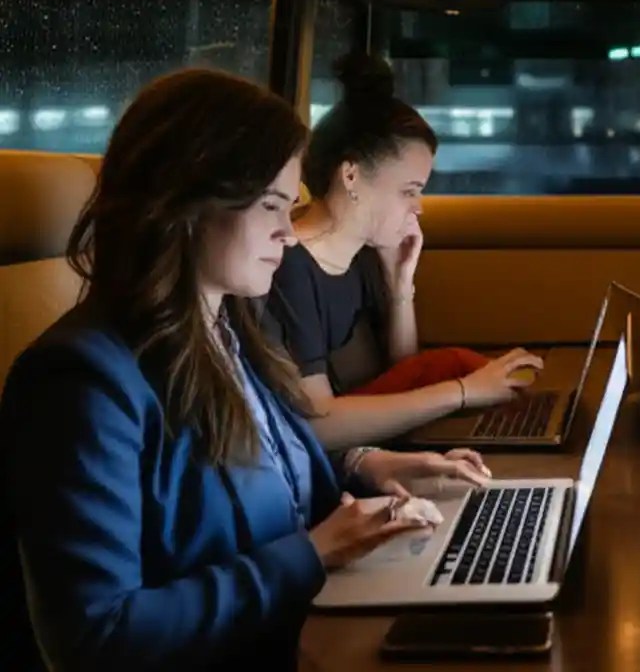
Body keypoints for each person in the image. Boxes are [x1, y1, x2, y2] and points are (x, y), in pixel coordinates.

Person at [0, 69, 482, 671]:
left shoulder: (227, 328)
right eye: (271, 205)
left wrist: (367, 465)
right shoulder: (80, 384)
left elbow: (261, 462)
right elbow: (95, 639)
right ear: (186, 204)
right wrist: (310, 555)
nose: (287, 230)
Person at [263, 52, 542, 449]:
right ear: (351, 175)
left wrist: (400, 285)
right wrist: (464, 391)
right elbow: (320, 423)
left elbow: (402, 375)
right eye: (409, 190)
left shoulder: (364, 253)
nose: (418, 207)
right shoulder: (290, 266)